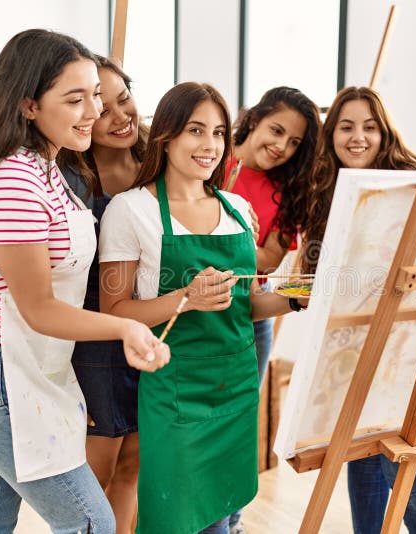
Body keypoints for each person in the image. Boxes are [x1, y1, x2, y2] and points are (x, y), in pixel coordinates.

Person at [0, 29, 169, 534]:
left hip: (16, 370)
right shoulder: (13, 180)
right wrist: (128, 329)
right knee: (90, 522)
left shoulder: (47, 169)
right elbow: (38, 308)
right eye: (75, 98)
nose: (94, 112)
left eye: (97, 96)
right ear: (28, 105)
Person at [98, 82, 306, 534]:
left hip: (233, 389)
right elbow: (113, 308)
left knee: (220, 515)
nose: (209, 145)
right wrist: (182, 299)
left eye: (217, 132)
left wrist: (294, 299)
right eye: (195, 130)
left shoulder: (237, 209)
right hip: (175, 391)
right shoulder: (130, 210)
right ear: (166, 135)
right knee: (175, 516)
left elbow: (244, 307)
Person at [301, 86, 416, 534]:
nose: (357, 137)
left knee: (403, 457)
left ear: (384, 133)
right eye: (346, 127)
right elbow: (323, 267)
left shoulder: (414, 181)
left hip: (405, 342)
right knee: (357, 450)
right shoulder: (329, 188)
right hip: (350, 341)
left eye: (369, 127)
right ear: (332, 135)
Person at [57, 55, 147, 533]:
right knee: (95, 473)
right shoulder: (72, 177)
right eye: (100, 104)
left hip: (152, 331)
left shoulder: (160, 163)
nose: (118, 116)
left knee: (133, 467)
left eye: (124, 99)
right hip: (93, 340)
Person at [225, 85, 320, 534]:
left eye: (294, 142)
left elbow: (269, 260)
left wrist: (216, 242)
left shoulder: (287, 191)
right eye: (276, 130)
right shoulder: (213, 158)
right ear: (256, 119)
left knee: (239, 430)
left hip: (253, 318)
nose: (281, 147)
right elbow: (254, 252)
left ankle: (233, 522)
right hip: (191, 317)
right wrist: (245, 244)